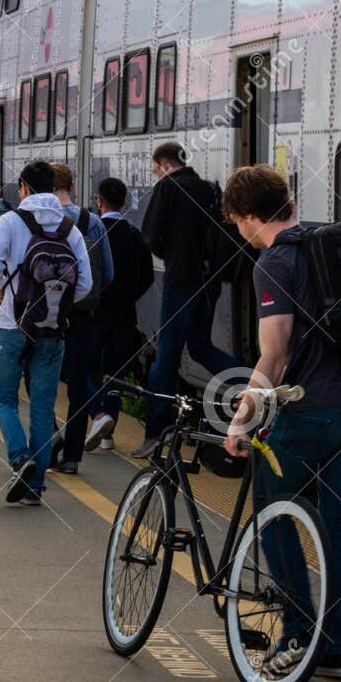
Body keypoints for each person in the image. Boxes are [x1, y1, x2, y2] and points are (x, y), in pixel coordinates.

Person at [220, 164, 341, 680]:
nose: (238, 232)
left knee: (272, 510)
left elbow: (274, 357)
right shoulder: (327, 243)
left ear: (248, 216)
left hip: (309, 410)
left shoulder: (274, 262)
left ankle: (298, 630)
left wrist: (240, 422)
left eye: (236, 222)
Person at [0, 161, 92, 506]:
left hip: (12, 325)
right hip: (52, 330)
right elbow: (85, 284)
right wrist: (56, 303)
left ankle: (19, 459)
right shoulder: (69, 228)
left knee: (5, 399)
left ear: (23, 187)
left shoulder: (11, 220)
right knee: (43, 408)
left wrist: (2, 285)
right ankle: (35, 488)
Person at [134, 141, 238, 457]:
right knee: (201, 346)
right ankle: (252, 384)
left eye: (155, 169)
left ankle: (157, 433)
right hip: (210, 283)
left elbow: (150, 236)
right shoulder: (209, 189)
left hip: (180, 282)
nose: (156, 174)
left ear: (164, 164)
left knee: (165, 359)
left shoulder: (167, 189)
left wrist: (173, 257)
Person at [52, 163, 113, 475]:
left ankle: (47, 445)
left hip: (46, 316)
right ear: (72, 185)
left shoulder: (40, 220)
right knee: (78, 387)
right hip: (83, 315)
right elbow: (109, 273)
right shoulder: (93, 222)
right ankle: (72, 457)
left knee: (39, 382)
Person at [93, 177, 155, 447]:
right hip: (124, 316)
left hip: (94, 315)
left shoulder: (93, 233)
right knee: (115, 375)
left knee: (89, 370)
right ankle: (109, 433)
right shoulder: (134, 235)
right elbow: (148, 276)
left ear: (99, 202)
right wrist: (129, 295)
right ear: (125, 202)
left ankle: (97, 417)